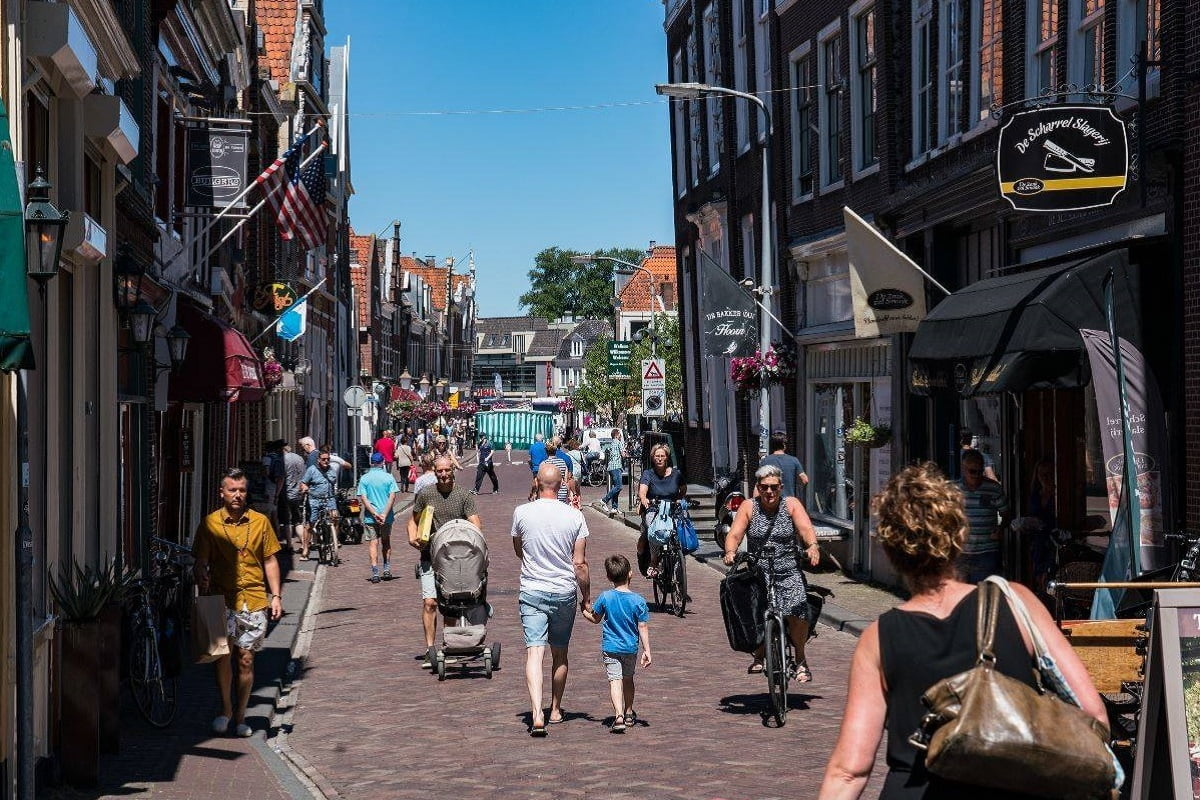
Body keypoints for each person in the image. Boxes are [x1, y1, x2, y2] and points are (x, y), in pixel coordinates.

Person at [817, 462, 1106, 799]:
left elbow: (850, 771)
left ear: (891, 550)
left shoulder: (878, 638)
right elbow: (1092, 713)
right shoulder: (1016, 602)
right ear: (959, 535)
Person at [192, 468, 283, 738]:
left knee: (246, 659)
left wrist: (276, 595)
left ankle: (242, 715)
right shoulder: (210, 524)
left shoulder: (260, 522)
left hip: (253, 599)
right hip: (221, 597)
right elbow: (201, 560)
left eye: (242, 490)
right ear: (222, 492)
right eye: (232, 490)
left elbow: (270, 560)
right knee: (223, 657)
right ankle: (226, 710)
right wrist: (201, 574)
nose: (238, 495)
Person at [512, 461, 591, 736]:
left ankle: (536, 713)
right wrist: (586, 598)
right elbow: (579, 564)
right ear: (561, 486)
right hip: (563, 591)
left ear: (537, 483)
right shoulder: (575, 516)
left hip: (532, 590)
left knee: (535, 653)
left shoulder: (522, 513)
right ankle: (555, 709)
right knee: (560, 652)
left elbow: (519, 550)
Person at [722, 464, 821, 680]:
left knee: (798, 610)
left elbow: (805, 529)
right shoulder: (749, 506)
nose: (769, 491)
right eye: (765, 487)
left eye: (774, 487)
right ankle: (759, 654)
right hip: (759, 571)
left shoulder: (791, 504)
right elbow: (735, 534)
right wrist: (730, 552)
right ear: (758, 487)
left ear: (781, 487)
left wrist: (812, 546)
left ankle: (801, 659)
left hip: (788, 569)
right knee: (755, 611)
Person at [407, 455, 482, 665]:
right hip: (429, 555)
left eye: (447, 470)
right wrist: (412, 537)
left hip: (455, 558)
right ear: (434, 471)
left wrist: (472, 540)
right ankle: (430, 650)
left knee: (451, 604)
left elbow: (476, 523)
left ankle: (448, 646)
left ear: (453, 470)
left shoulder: (464, 495)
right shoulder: (426, 494)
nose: (443, 474)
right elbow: (413, 521)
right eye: (439, 471)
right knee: (430, 602)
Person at [582, 554, 651, 733]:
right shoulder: (638, 600)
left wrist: (584, 611)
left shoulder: (605, 597)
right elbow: (642, 626)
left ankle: (618, 716)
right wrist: (647, 650)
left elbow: (595, 618)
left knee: (615, 681)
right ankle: (628, 712)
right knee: (628, 679)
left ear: (608, 577)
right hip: (630, 648)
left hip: (611, 647)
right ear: (630, 573)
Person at [955, 449, 1010, 583]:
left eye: (980, 471)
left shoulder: (994, 488)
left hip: (987, 551)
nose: (976, 475)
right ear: (964, 469)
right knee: (961, 590)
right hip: (961, 551)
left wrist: (1001, 528)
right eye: (972, 471)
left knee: (983, 591)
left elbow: (1007, 514)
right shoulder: (954, 490)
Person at [638, 443, 686, 578]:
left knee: (680, 525)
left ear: (667, 458)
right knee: (653, 529)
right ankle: (653, 560)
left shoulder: (676, 474)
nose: (659, 459)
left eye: (662, 456)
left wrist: (679, 499)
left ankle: (679, 554)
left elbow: (683, 489)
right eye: (657, 456)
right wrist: (644, 499)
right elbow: (643, 490)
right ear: (653, 458)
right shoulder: (648, 474)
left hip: (671, 508)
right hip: (654, 508)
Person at [358, 452, 400, 583]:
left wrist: (374, 513)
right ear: (382, 463)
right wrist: (384, 514)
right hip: (386, 517)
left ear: (371, 463)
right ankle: (386, 569)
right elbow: (392, 497)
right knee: (386, 542)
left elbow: (364, 498)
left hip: (371, 517)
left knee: (373, 543)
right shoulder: (388, 477)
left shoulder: (364, 478)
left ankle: (375, 572)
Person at [300, 450, 340, 561]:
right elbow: (303, 483)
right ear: (318, 460)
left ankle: (334, 541)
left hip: (329, 498)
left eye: (328, 459)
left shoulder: (331, 470)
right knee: (310, 524)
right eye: (323, 459)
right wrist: (304, 487)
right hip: (314, 499)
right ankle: (306, 548)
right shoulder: (311, 470)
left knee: (335, 518)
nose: (326, 461)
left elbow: (333, 483)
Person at [1027, 458, 1057, 593]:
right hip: (1038, 541)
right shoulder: (1035, 495)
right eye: (1042, 474)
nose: (1045, 478)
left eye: (1048, 474)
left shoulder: (1059, 495)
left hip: (1054, 540)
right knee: (1039, 574)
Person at [758, 431, 808, 499]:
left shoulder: (765, 461)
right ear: (784, 444)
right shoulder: (793, 460)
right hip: (789, 499)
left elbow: (759, 483)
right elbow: (805, 480)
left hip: (771, 499)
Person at [280, 444, 306, 552]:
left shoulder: (283, 460)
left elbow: (281, 477)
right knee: (297, 520)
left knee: (287, 521)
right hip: (298, 493)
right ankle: (304, 543)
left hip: (286, 493)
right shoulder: (299, 458)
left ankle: (289, 545)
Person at [601, 429, 626, 512]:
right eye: (620, 435)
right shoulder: (619, 442)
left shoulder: (611, 443)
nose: (620, 436)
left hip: (610, 467)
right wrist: (626, 454)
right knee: (619, 486)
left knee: (616, 487)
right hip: (616, 466)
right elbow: (623, 454)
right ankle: (604, 500)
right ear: (617, 435)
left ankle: (614, 507)